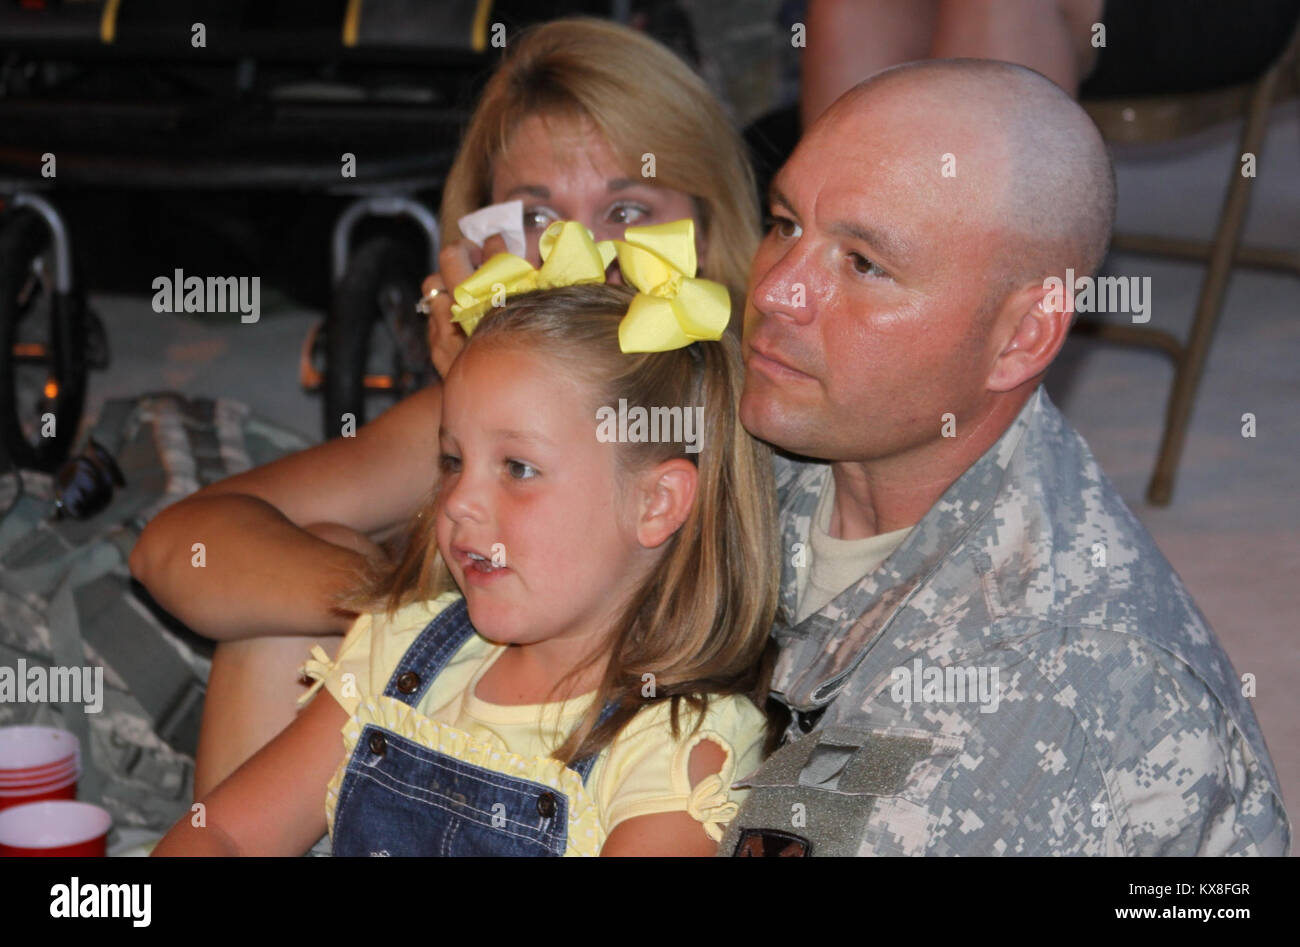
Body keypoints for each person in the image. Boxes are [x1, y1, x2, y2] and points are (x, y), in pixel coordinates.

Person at [128, 17, 760, 800]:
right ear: (474, 247)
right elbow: (175, 546)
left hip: (639, 788)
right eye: (535, 219)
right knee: (296, 586)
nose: (581, 256)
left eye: (626, 212)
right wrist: (408, 611)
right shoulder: (455, 403)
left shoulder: (760, 402)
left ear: (708, 231)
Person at [720, 59, 1291, 856]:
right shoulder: (799, 425)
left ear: (1021, 336)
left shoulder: (1030, 694)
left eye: (863, 263)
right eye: (785, 223)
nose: (776, 290)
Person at [151, 236, 782, 855]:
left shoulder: (679, 748)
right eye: (452, 461)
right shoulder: (402, 646)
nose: (457, 502)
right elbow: (225, 831)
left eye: (518, 468)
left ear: (656, 503)